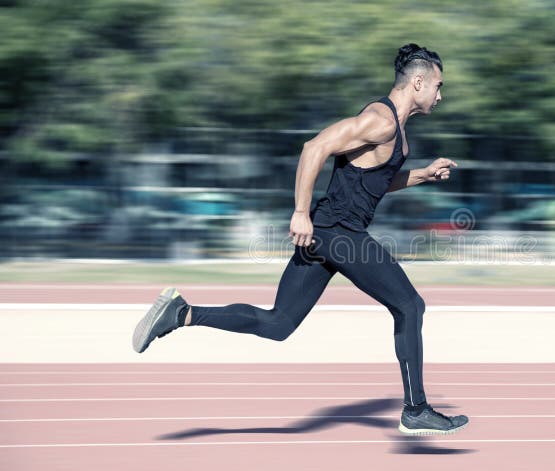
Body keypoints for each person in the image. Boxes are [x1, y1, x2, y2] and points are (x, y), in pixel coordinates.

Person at [132, 43, 468, 436]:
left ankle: (182, 312)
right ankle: (415, 409)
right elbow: (315, 147)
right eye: (438, 86)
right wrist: (300, 212)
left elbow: (374, 185)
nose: (440, 95)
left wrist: (423, 175)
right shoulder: (382, 120)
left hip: (329, 233)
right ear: (418, 81)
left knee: (279, 323)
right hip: (338, 233)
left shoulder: (394, 128)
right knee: (410, 306)